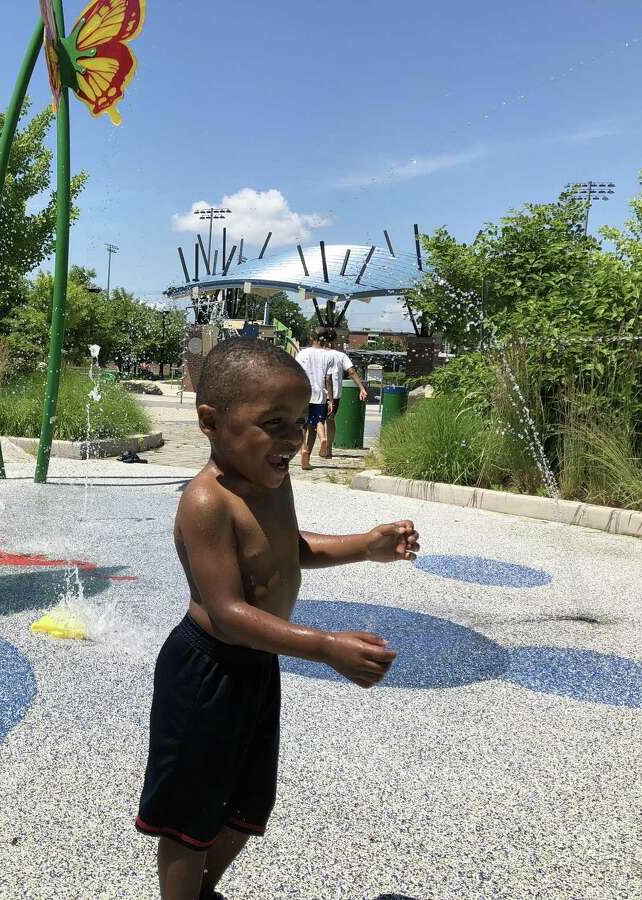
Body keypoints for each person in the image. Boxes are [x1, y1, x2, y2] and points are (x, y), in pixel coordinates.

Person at [134, 337, 419, 900]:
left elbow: (287, 550)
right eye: (274, 422)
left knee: (245, 802)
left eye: (300, 420)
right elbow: (228, 612)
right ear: (211, 422)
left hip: (256, 669)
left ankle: (200, 893)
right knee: (188, 816)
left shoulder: (274, 480)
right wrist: (326, 646)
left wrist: (366, 545)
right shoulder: (206, 502)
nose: (292, 438)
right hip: (206, 673)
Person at [320, 328, 368, 458]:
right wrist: (361, 388)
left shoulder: (316, 354)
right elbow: (351, 372)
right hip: (335, 394)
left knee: (318, 421)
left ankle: (321, 439)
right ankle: (329, 449)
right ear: (335, 340)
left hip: (317, 393)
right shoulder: (341, 356)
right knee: (330, 419)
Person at [293, 327, 333, 470]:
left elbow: (296, 374)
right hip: (320, 394)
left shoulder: (303, 353)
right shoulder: (328, 355)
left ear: (312, 337)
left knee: (302, 424)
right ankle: (322, 440)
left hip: (304, 393)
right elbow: (328, 378)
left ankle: (303, 449)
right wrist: (331, 399)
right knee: (317, 422)